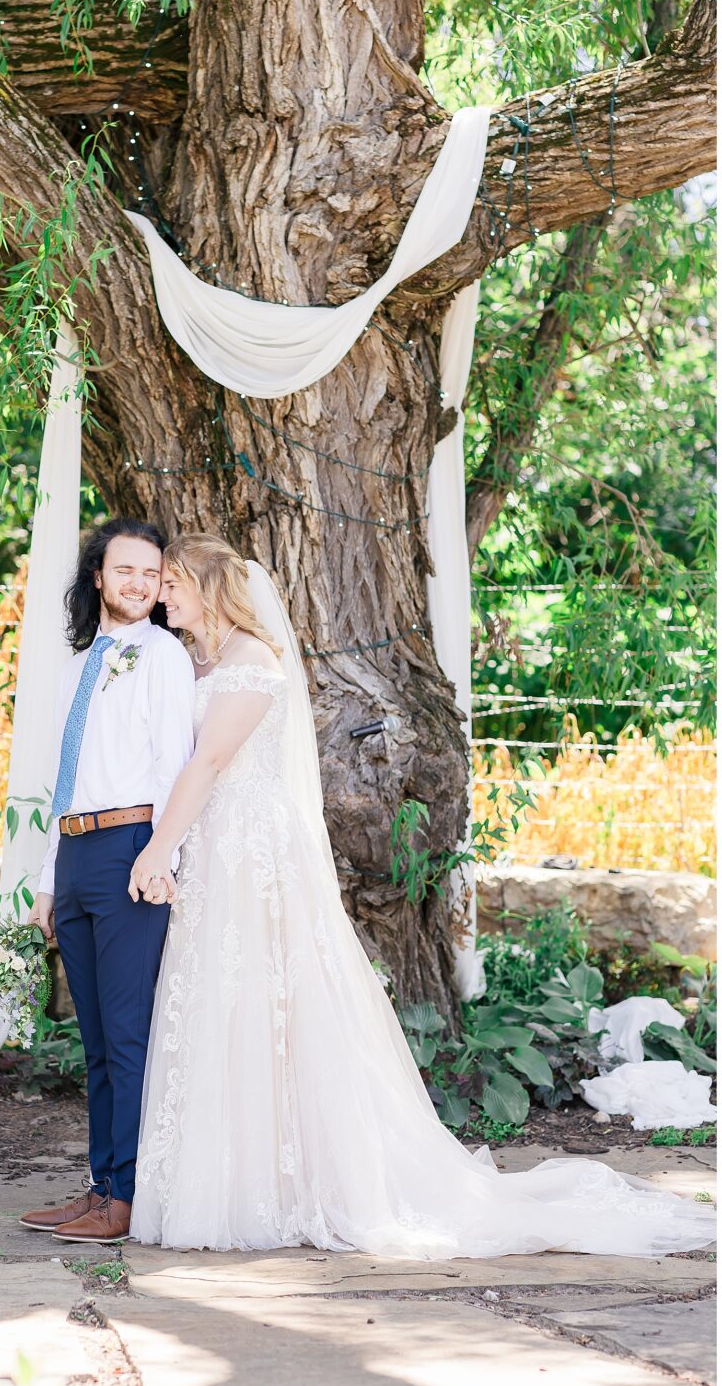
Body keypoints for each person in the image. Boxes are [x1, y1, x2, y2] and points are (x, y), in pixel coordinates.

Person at [128, 532, 717, 1258]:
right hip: (219, 845)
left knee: (269, 999)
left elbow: (213, 760)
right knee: (229, 998)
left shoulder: (249, 664)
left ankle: (284, 1182)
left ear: (211, 587)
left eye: (175, 583)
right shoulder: (201, 662)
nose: (163, 595)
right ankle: (240, 1173)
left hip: (249, 850)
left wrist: (158, 847)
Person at [19, 518, 196, 1245]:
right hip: (76, 852)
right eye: (125, 571)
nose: (138, 584)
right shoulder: (75, 663)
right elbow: (61, 777)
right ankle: (99, 1185)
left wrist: (161, 858)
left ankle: (126, 1198)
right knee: (93, 1040)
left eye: (150, 575)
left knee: (127, 1036)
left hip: (131, 847)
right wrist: (46, 878)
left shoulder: (162, 657)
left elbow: (173, 764)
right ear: (98, 575)